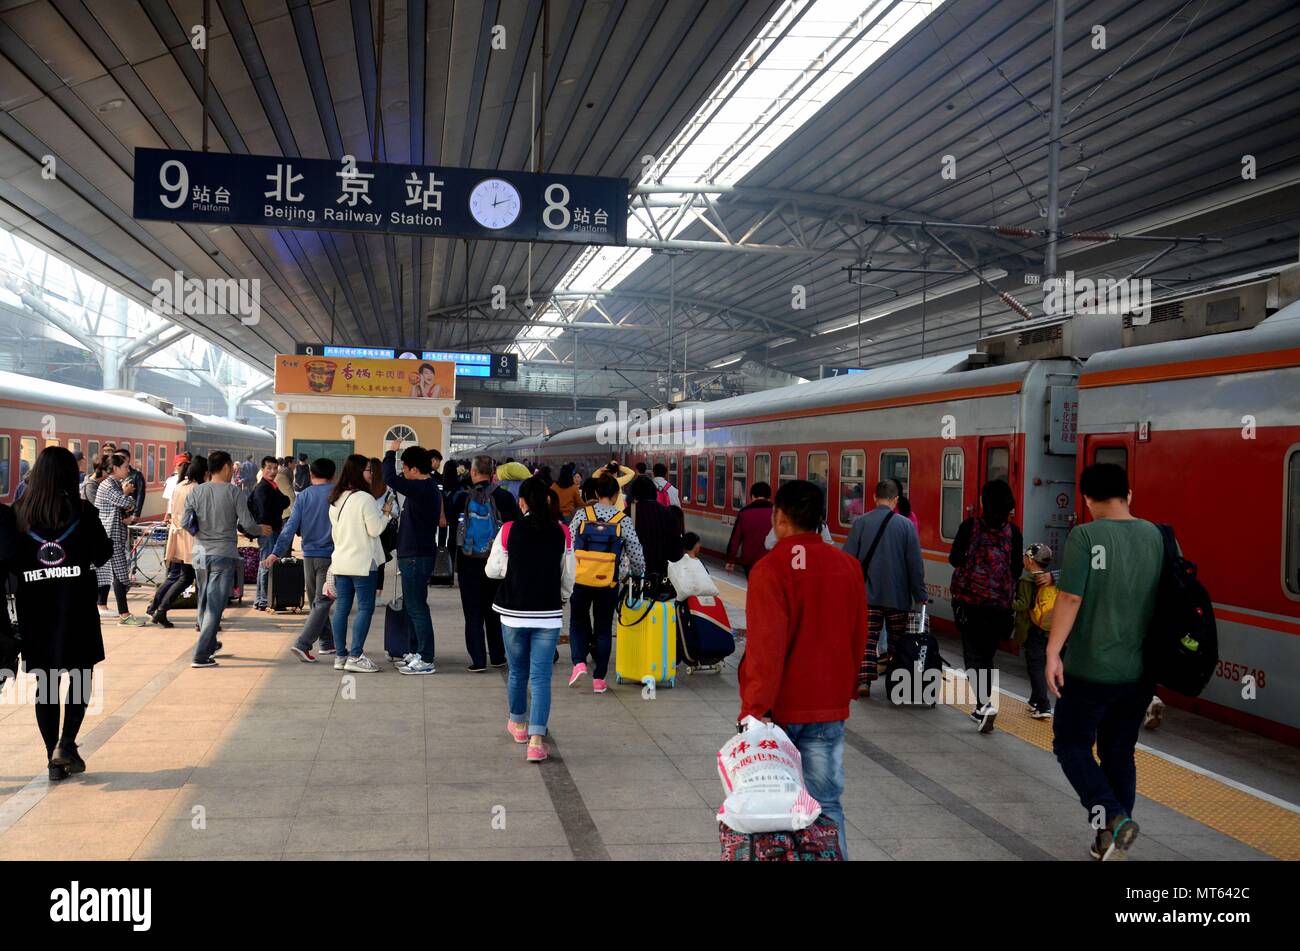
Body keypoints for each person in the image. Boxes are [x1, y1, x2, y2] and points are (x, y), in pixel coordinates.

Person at [738, 479, 867, 858]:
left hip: (778, 713)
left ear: (779, 518)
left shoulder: (770, 569)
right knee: (827, 805)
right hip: (828, 707)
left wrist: (753, 710)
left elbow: (766, 649)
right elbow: (859, 635)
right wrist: (847, 689)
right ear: (820, 520)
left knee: (776, 810)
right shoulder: (848, 567)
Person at [1047, 463, 1164, 861]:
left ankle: (1113, 817)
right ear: (1129, 496)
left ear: (1087, 499)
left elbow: (1070, 597)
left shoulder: (1085, 535)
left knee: (1071, 745)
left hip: (1089, 668)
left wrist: (1052, 652)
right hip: (1138, 672)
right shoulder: (1158, 536)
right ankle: (1111, 837)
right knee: (1119, 751)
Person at [1, 447, 112, 781]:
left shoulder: (16, 515)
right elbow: (103, 555)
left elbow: (7, 561)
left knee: (46, 682)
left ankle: (53, 757)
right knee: (81, 674)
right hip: (76, 608)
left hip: (36, 613)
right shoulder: (83, 512)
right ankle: (67, 743)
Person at [487, 476, 576, 762]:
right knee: (541, 677)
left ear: (521, 502)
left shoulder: (508, 530)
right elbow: (569, 575)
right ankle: (536, 741)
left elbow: (493, 570)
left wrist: (516, 571)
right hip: (548, 616)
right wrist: (561, 595)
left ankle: (518, 724)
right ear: (548, 501)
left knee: (517, 672)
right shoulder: (562, 532)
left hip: (512, 613)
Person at [842, 479, 927, 699]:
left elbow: (848, 560)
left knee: (867, 639)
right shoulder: (906, 525)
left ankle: (864, 682)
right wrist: (920, 594)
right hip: (898, 597)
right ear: (896, 499)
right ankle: (897, 684)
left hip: (867, 596)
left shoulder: (861, 523)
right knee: (897, 642)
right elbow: (915, 564)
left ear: (873, 497)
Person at [184, 450, 270, 667]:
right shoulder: (234, 493)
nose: (233, 471)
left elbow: (186, 522)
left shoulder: (195, 492)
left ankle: (210, 643)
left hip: (200, 552)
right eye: (231, 467)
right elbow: (248, 524)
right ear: (224, 467)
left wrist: (201, 534)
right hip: (223, 553)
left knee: (204, 598)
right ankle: (201, 655)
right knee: (215, 605)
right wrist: (261, 530)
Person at [949, 479, 1022, 733]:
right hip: (999, 606)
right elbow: (1017, 569)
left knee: (973, 654)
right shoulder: (1014, 532)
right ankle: (984, 703)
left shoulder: (970, 526)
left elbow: (954, 558)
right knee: (988, 656)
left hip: (970, 603)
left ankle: (984, 704)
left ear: (984, 501)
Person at [568, 473, 646, 692]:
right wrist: (639, 575)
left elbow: (571, 544)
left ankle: (579, 663)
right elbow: (636, 555)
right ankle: (599, 680)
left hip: (582, 580)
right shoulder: (623, 520)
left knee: (577, 623)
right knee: (603, 629)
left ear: (595, 493)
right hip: (609, 583)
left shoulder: (582, 515)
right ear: (616, 494)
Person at [447, 455, 521, 672]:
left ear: (473, 472)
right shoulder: (505, 498)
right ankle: (498, 656)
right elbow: (513, 529)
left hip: (469, 562)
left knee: (473, 613)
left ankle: (478, 660)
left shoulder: (462, 498)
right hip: (496, 563)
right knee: (494, 610)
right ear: (493, 472)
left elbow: (450, 521)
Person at [327, 454, 392, 672]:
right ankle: (355, 656)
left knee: (342, 608)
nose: (370, 473)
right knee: (365, 607)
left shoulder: (336, 498)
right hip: (364, 562)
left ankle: (340, 656)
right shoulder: (365, 498)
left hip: (341, 561)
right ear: (357, 472)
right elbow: (375, 530)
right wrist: (386, 513)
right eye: (367, 469)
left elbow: (336, 535)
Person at [382, 440, 443, 675]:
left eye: (405, 468)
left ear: (414, 470)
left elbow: (389, 477)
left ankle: (426, 658)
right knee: (413, 605)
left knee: (417, 607)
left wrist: (391, 451)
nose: (403, 473)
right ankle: (417, 652)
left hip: (416, 556)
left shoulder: (422, 487)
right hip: (415, 554)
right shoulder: (425, 487)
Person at [268, 457, 338, 661]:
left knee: (318, 603)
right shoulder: (337, 495)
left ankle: (327, 643)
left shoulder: (304, 495)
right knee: (323, 601)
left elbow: (290, 526)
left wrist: (276, 551)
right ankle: (303, 643)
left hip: (308, 555)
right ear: (333, 475)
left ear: (311, 475)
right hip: (330, 556)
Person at [146, 454, 208, 628]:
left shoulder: (181, 485)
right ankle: (202, 620)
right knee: (202, 580)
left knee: (185, 578)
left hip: (180, 538)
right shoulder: (198, 489)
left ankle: (161, 610)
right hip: (195, 540)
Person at [93, 452, 143, 625]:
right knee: (121, 575)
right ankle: (124, 614)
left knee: (117, 576)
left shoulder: (114, 483)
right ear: (115, 468)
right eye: (125, 466)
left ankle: (122, 613)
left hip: (112, 535)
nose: (128, 469)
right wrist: (128, 496)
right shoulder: (109, 485)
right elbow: (127, 503)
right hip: (110, 536)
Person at [1012, 542, 1057, 719]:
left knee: (1035, 667)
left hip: (1033, 629)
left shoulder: (1026, 580)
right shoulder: (1052, 579)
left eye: (1025, 556)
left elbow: (1022, 605)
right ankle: (1034, 700)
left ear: (1030, 560)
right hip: (1049, 629)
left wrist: (1006, 601)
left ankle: (1044, 705)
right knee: (1040, 664)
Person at [248, 456, 289, 610]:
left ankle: (260, 599)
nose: (273, 471)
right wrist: (279, 503)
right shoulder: (263, 488)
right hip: (268, 530)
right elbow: (266, 510)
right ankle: (263, 598)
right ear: (262, 469)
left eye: (275, 468)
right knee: (266, 563)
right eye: (269, 468)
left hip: (271, 529)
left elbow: (285, 501)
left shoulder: (272, 485)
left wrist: (279, 502)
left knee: (264, 563)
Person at [726, 482, 774, 576]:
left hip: (749, 561)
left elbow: (735, 539)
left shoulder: (744, 512)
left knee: (754, 587)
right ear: (769, 497)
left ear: (752, 496)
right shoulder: (776, 512)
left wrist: (730, 560)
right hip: (771, 560)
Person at [119, 444, 146, 525]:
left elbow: (140, 495)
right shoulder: (113, 475)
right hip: (118, 513)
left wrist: (136, 514)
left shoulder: (136, 475)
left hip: (130, 513)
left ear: (127, 459)